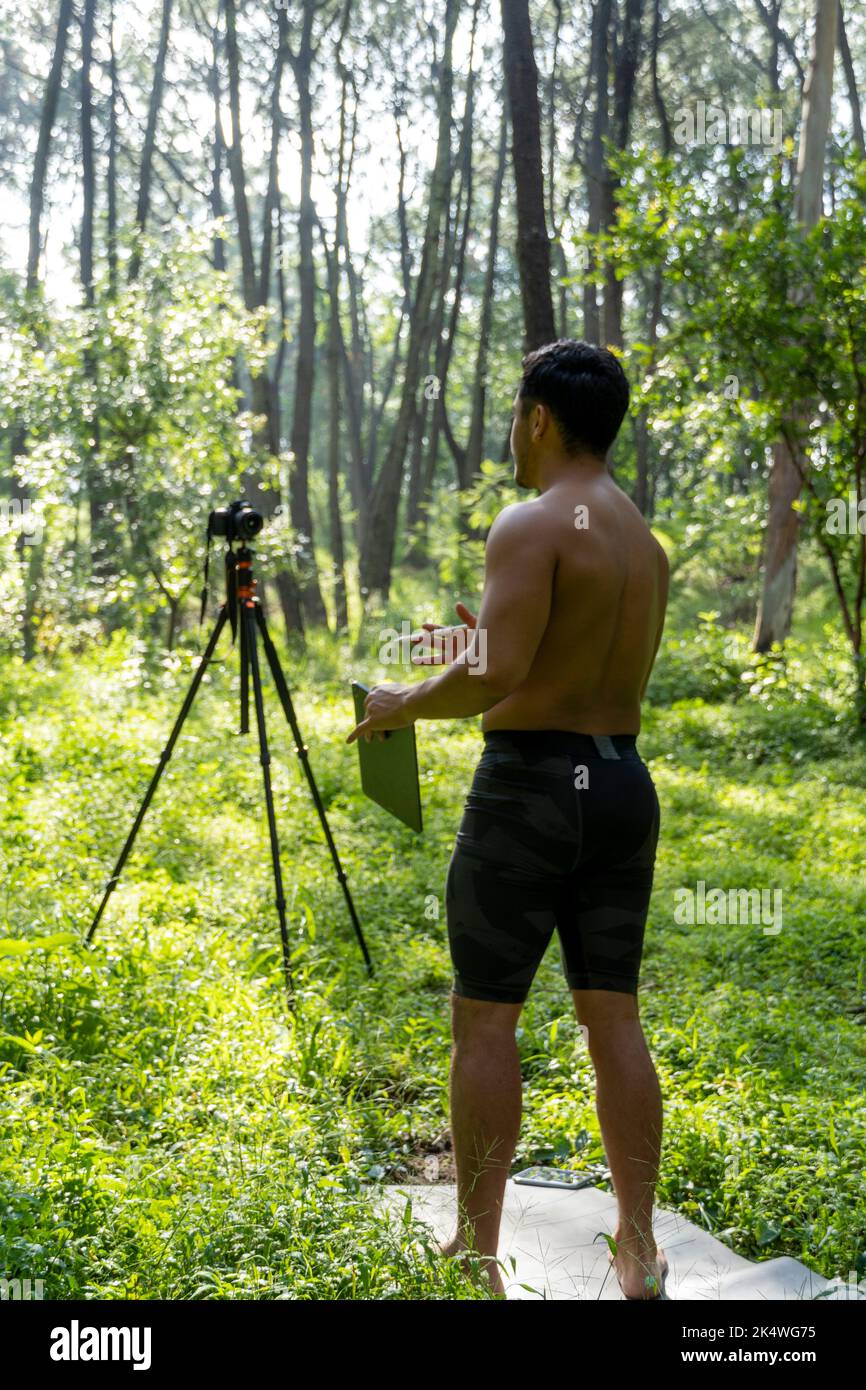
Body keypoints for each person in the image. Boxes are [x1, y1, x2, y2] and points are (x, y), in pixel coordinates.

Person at [347, 339, 670, 1300]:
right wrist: (480, 641)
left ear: (538, 417)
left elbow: (499, 677)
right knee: (613, 1013)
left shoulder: (530, 522)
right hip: (619, 786)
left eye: (514, 415)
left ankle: (478, 1255)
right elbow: (552, 650)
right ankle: (639, 1246)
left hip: (530, 789)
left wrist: (403, 700)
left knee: (485, 1020)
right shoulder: (642, 540)